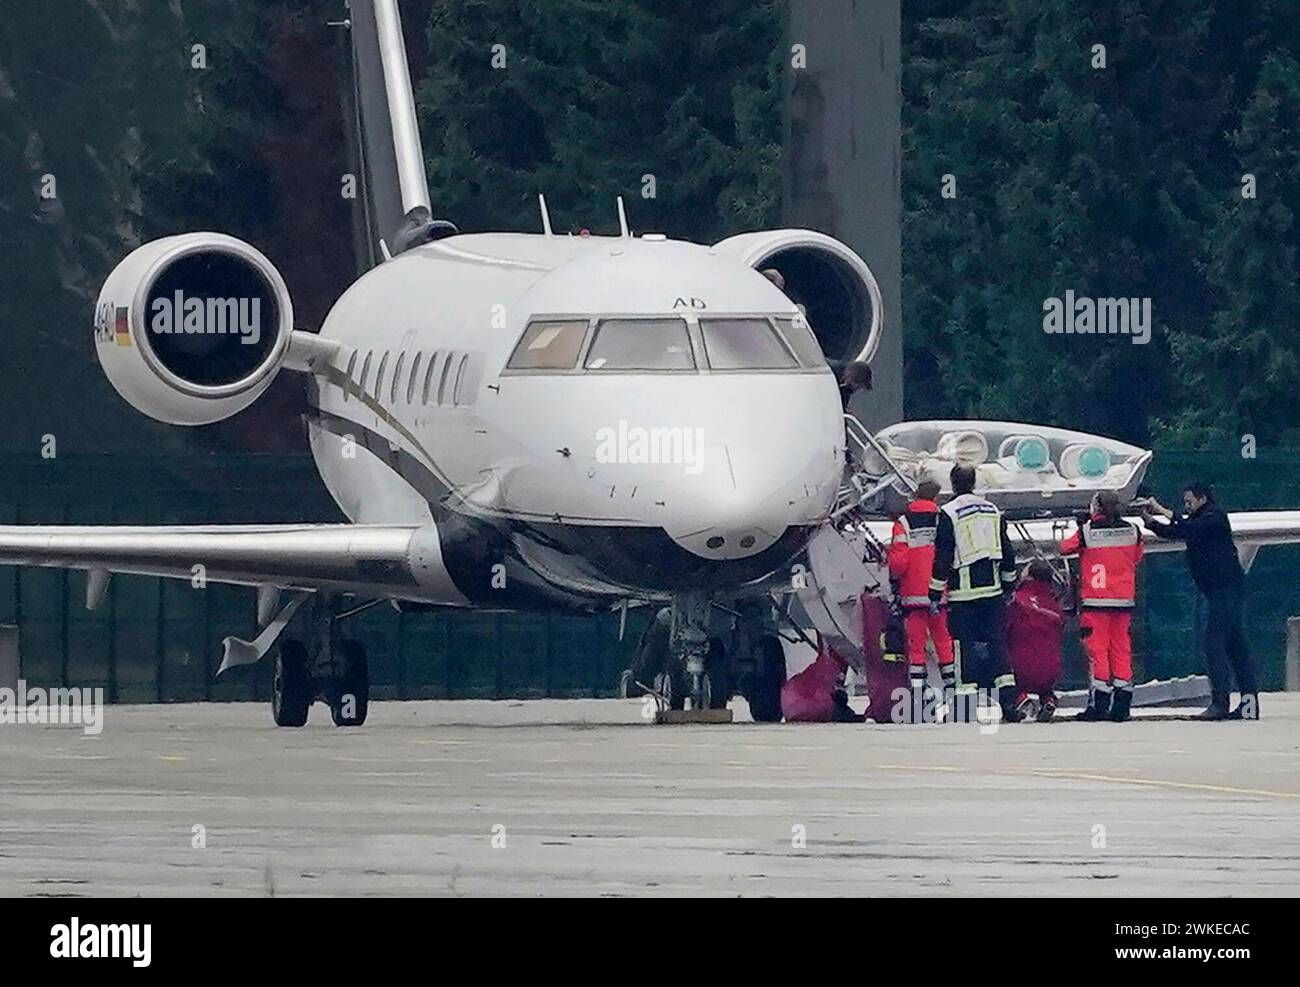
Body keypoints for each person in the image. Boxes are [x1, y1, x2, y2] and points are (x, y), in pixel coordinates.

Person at [1141, 482, 1259, 720]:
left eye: (1189, 502)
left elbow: (1188, 528)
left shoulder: (1214, 517)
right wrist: (1150, 522)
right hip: (1220, 591)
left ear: (1202, 498)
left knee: (1214, 644)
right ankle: (1249, 704)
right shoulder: (1199, 520)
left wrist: (1161, 510)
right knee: (1236, 647)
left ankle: (1220, 703)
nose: (1187, 507)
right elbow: (1176, 531)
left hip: (1225, 590)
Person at [929, 464, 1020, 721]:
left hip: (964, 595)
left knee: (964, 646)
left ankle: (965, 707)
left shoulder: (948, 513)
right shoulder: (993, 510)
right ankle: (1009, 703)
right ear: (974, 482)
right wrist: (1009, 586)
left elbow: (943, 556)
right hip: (993, 593)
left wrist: (935, 593)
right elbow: (1007, 552)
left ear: (953, 483)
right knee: (997, 643)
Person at [1060, 490, 1145, 721]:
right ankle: (1122, 705)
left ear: (1096, 508)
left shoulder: (1087, 533)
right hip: (1123, 602)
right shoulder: (1133, 531)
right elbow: (1137, 557)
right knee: (1122, 651)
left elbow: (1064, 547)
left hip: (1096, 603)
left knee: (1098, 653)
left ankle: (1099, 704)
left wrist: (1083, 526)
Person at [888, 478, 956, 720]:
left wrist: (896, 580)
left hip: (913, 595)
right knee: (944, 645)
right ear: (935, 498)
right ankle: (953, 695)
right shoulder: (943, 520)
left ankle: (918, 700)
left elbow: (898, 562)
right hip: (941, 593)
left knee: (915, 648)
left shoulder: (903, 523)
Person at [1005, 560, 1065, 722]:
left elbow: (1004, 629)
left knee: (1003, 672)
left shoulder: (1016, 601)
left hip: (1021, 667)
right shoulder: (1054, 606)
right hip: (1051, 670)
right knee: (1045, 687)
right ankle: (1048, 700)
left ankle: (1020, 699)